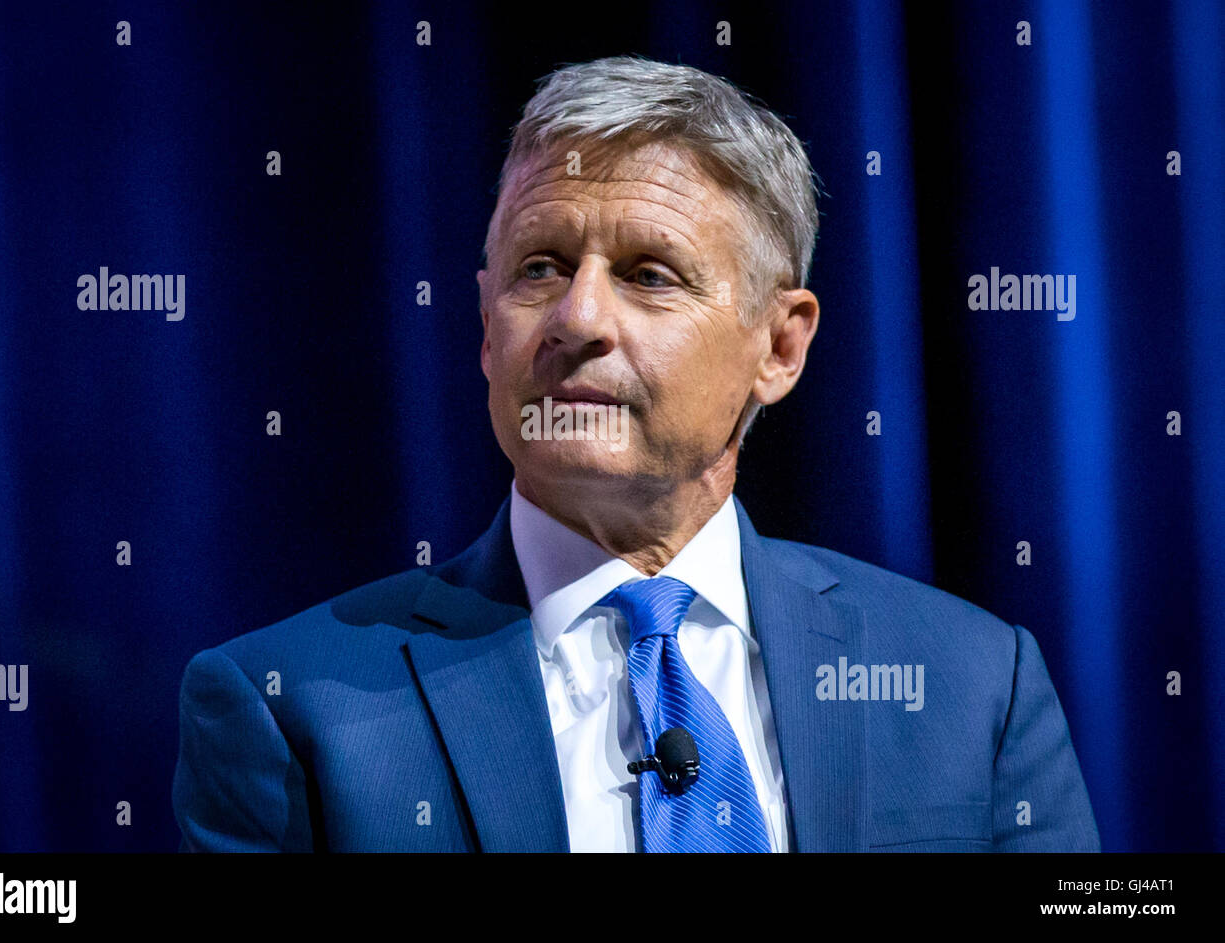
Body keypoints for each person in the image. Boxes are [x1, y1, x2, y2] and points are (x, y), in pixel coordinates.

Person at [172, 56, 1100, 852]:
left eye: (650, 275)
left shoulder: (973, 681)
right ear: (487, 331)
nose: (577, 318)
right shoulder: (290, 707)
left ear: (779, 347)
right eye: (540, 267)